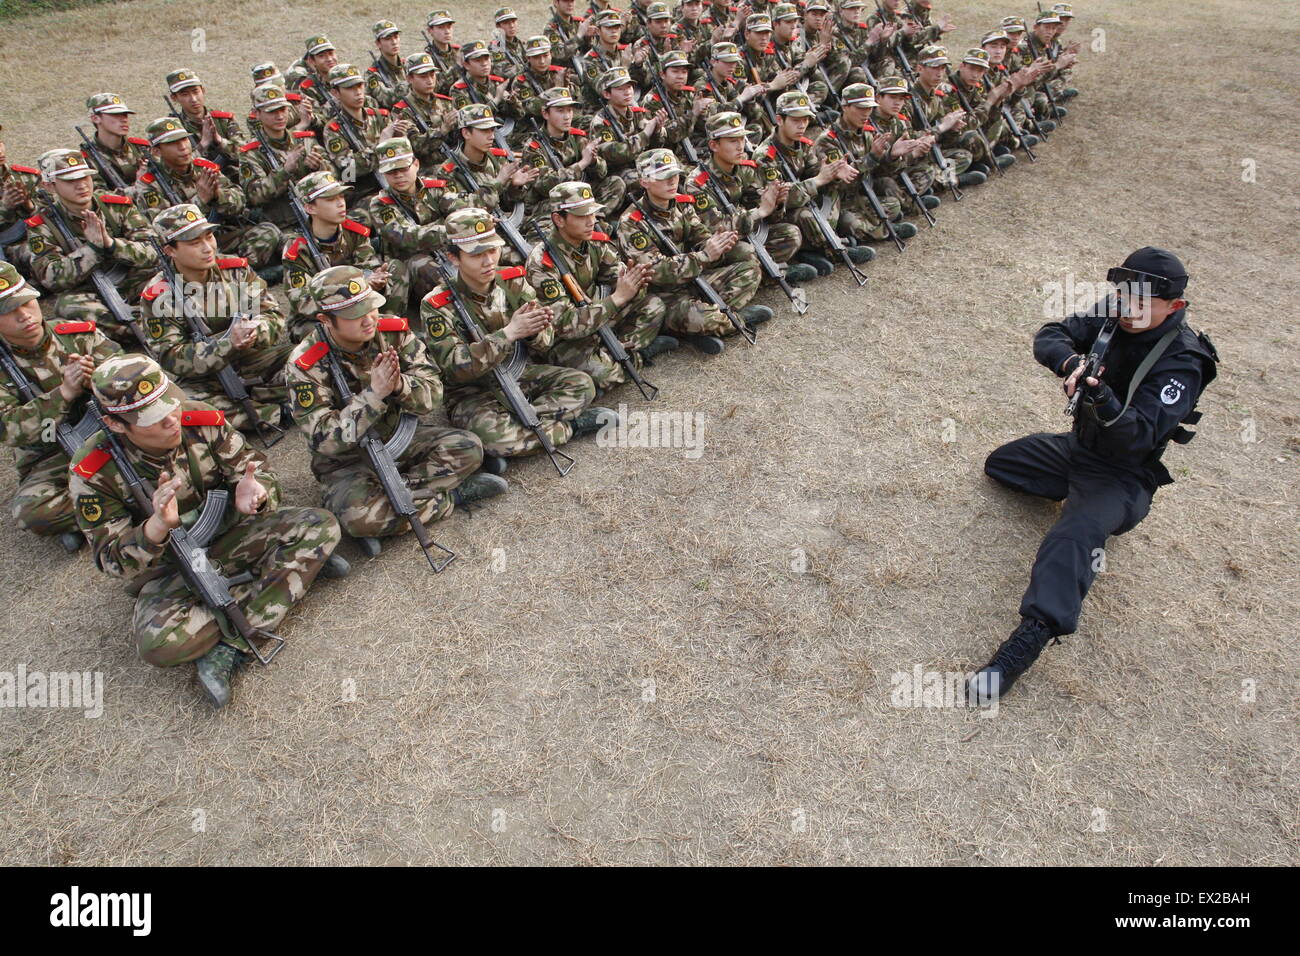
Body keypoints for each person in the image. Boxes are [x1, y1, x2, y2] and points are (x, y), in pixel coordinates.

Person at [970, 248, 1219, 704]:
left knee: (1073, 535)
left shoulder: (1184, 361)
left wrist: (1101, 397)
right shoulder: (1114, 313)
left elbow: (1138, 436)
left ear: (1174, 307)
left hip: (1122, 475)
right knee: (1002, 464)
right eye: (1124, 295)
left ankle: (1027, 642)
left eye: (1142, 302)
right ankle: (1078, 499)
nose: (1128, 307)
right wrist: (1070, 364)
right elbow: (1050, 335)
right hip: (1078, 452)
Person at [68, 354, 346, 708]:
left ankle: (232, 646)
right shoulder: (92, 473)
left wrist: (256, 493)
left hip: (235, 535)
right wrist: (154, 528)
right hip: (173, 568)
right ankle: (289, 576)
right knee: (159, 645)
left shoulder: (199, 419)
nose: (172, 420)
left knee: (321, 526)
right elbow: (112, 561)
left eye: (169, 404)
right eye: (153, 419)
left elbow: (255, 469)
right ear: (116, 424)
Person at [286, 265, 502, 557]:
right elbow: (325, 440)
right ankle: (451, 496)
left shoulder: (393, 332)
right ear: (326, 320)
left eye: (370, 307)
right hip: (348, 462)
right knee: (357, 518)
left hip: (399, 439)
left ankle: (394, 504)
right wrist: (373, 396)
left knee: (469, 447)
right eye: (354, 315)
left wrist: (400, 386)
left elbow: (432, 394)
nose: (368, 319)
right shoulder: (305, 365)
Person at [420, 207, 608, 472]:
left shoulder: (513, 281)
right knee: (491, 437)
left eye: (492, 250)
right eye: (476, 254)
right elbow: (455, 368)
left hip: (519, 371)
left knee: (582, 385)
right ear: (454, 258)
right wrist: (508, 334)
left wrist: (534, 331)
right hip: (474, 391)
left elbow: (545, 342)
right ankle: (568, 426)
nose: (488, 261)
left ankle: (520, 430)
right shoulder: (436, 305)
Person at [140, 204, 291, 435]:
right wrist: (227, 344)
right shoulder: (159, 296)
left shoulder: (235, 270)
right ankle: (277, 411)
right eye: (194, 243)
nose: (207, 248)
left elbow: (272, 314)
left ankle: (264, 399)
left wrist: (255, 331)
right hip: (207, 377)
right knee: (183, 407)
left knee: (309, 358)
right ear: (170, 250)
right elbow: (170, 356)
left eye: (209, 237)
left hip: (254, 357)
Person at [0, 260, 120, 550]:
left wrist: (96, 380)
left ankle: (96, 505)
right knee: (31, 511)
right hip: (52, 451)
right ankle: (118, 502)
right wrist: (63, 393)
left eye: (26, 302)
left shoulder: (77, 334)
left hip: (112, 429)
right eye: (8, 311)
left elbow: (126, 378)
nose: (24, 315)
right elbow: (9, 430)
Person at [615, 148, 770, 355]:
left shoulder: (681, 204)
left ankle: (708, 321)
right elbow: (656, 271)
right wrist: (704, 256)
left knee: (750, 269)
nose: (672, 182)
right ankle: (732, 320)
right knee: (697, 317)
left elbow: (701, 235)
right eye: (663, 177)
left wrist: (715, 243)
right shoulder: (631, 223)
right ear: (644, 182)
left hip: (693, 279)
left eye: (674, 175)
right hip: (664, 296)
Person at [525, 180, 673, 393]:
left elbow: (618, 279)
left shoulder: (595, 243)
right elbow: (564, 325)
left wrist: (635, 282)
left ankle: (618, 353)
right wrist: (617, 299)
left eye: (592, 214)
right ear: (559, 219)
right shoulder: (542, 265)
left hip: (596, 313)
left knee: (654, 305)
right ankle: (634, 356)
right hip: (564, 340)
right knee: (603, 374)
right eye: (582, 216)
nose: (591, 221)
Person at [24, 149, 157, 348]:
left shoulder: (116, 206)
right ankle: (152, 330)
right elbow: (51, 278)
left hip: (136, 277)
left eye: (85, 177)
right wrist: (92, 250)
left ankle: (163, 322)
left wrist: (111, 244)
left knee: (176, 276)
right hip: (91, 291)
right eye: (70, 180)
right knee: (68, 306)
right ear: (49, 186)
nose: (82, 185)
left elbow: (154, 250)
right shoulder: (43, 226)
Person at [136, 117, 283, 270]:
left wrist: (218, 196)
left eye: (184, 140)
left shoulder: (202, 167)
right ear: (156, 151)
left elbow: (240, 200)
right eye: (173, 143)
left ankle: (233, 268)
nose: (183, 147)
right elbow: (162, 233)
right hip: (187, 247)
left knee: (268, 231)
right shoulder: (149, 185)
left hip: (219, 235)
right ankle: (229, 269)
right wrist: (201, 200)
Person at [281, 170, 399, 339]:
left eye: (341, 197)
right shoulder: (297, 250)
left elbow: (368, 267)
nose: (341, 204)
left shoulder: (354, 232)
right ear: (309, 207)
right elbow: (302, 301)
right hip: (319, 317)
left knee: (396, 271)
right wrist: (348, 291)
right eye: (330, 199)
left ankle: (382, 329)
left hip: (361, 305)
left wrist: (375, 278)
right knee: (321, 334)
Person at [162, 69, 244, 174]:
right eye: (185, 94)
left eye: (196, 91)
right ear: (174, 98)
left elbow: (244, 156)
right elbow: (177, 167)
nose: (193, 99)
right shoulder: (173, 130)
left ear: (203, 90)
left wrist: (219, 141)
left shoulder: (223, 120)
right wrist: (203, 144)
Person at [80, 93, 149, 191]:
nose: (124, 119)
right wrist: (139, 183)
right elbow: (100, 197)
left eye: (125, 114)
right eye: (115, 114)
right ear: (95, 118)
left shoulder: (141, 148)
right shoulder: (86, 159)